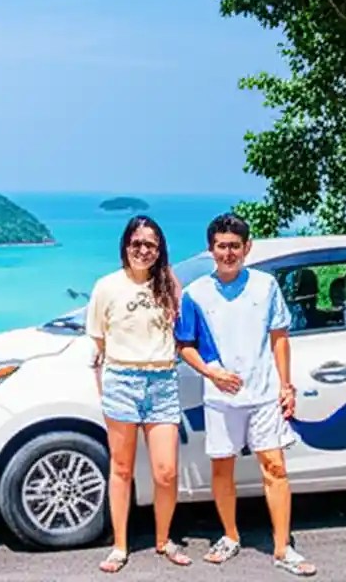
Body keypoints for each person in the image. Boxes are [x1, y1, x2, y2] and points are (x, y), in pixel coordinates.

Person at [174, 212, 317, 577]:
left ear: (247, 247)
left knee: (275, 467)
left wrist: (286, 385)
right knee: (223, 468)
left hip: (264, 394)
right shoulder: (195, 294)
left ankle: (283, 547)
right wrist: (211, 373)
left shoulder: (265, 286)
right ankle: (230, 535)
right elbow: (184, 345)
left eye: (235, 246)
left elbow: (279, 337)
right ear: (211, 249)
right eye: (221, 246)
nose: (228, 253)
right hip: (220, 398)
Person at [86, 215, 192, 573]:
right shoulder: (107, 287)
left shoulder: (166, 285)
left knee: (166, 471)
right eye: (137, 243)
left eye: (151, 245)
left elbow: (183, 323)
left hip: (162, 381)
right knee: (121, 468)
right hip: (122, 380)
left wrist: (168, 273)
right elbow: (99, 341)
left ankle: (164, 539)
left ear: (159, 250)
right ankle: (119, 545)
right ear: (125, 246)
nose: (143, 250)